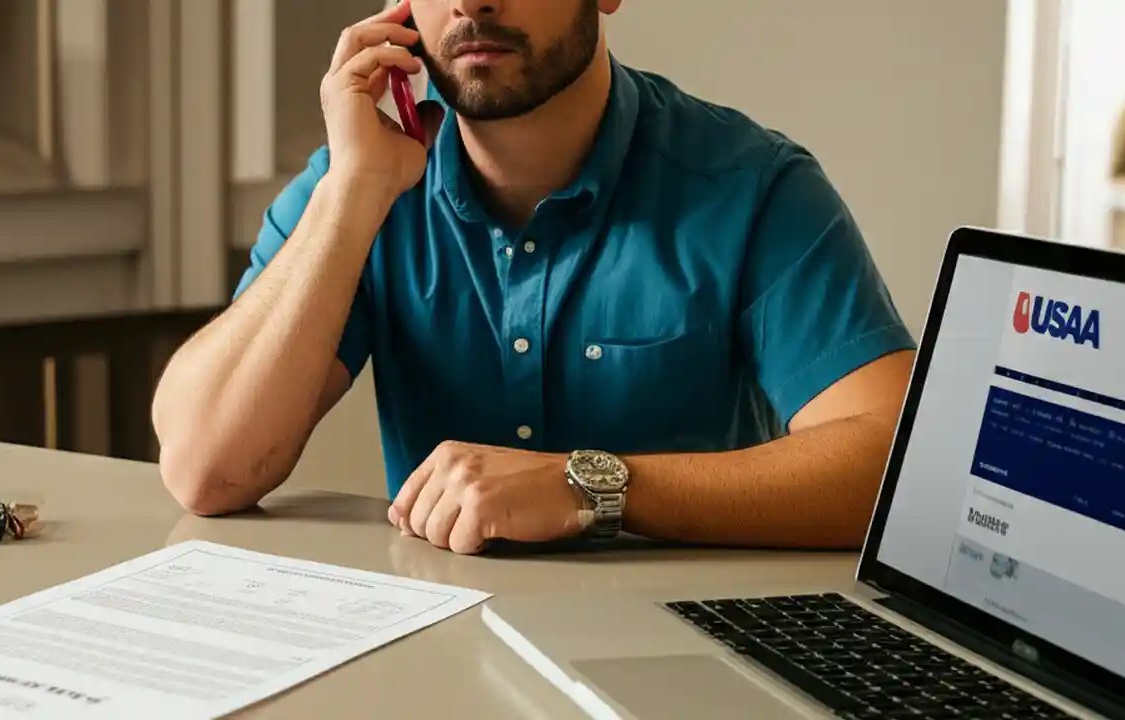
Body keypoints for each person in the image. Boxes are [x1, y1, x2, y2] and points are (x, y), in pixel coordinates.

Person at [151, 0, 917, 555]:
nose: (474, 2)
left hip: (682, 646)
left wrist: (594, 487)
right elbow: (205, 472)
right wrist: (351, 195)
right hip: (440, 647)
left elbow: (893, 462)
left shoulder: (751, 187)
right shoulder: (357, 183)